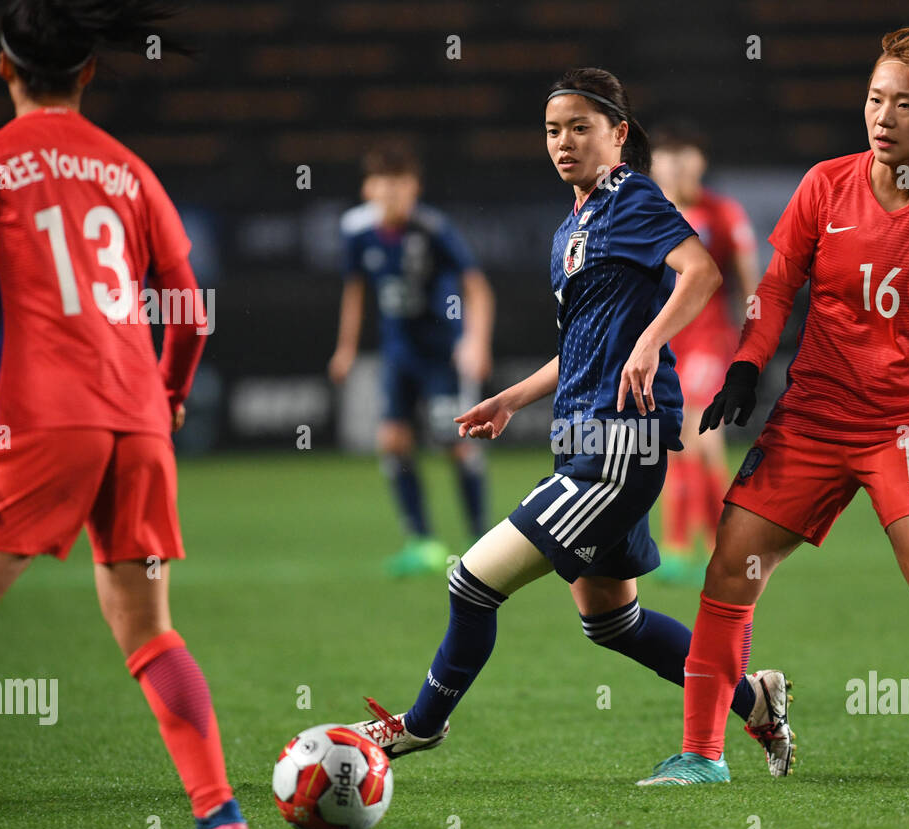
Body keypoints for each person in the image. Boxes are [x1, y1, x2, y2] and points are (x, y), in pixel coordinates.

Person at [639, 28, 909, 787]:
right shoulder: (824, 187)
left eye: (905, 104)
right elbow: (774, 291)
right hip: (812, 419)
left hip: (903, 423)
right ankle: (702, 755)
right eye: (875, 98)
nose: (883, 115)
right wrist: (744, 364)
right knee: (730, 569)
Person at [352, 68, 794, 778]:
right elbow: (582, 346)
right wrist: (511, 399)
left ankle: (419, 727)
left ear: (618, 134)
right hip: (585, 443)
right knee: (612, 622)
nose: (564, 142)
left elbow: (702, 274)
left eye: (580, 128)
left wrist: (651, 343)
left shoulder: (632, 197)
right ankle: (757, 698)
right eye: (554, 129)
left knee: (470, 580)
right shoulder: (573, 225)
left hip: (617, 448)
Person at [0, 0, 252, 829]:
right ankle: (219, 813)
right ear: (88, 74)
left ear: (5, 69)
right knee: (149, 626)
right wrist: (170, 394)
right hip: (138, 422)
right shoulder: (130, 170)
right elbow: (190, 312)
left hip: (45, 420)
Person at [328, 145, 495, 576]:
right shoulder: (356, 231)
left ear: (414, 188)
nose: (391, 194)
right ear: (368, 189)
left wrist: (475, 342)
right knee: (393, 441)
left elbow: (476, 286)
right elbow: (355, 289)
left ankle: (482, 540)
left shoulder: (434, 229)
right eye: (383, 184)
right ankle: (421, 540)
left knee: (456, 444)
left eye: (399, 185)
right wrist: (346, 347)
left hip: (442, 354)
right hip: (398, 354)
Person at [649, 125, 760, 586]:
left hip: (710, 339)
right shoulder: (648, 213)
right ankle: (682, 547)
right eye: (665, 158)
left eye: (683, 157)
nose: (675, 166)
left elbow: (749, 277)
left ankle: (716, 546)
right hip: (666, 339)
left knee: (700, 435)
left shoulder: (721, 212)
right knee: (677, 443)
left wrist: (754, 343)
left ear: (699, 162)